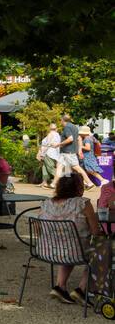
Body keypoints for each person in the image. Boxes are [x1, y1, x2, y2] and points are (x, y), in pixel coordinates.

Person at [38, 173, 109, 304]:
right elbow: (96, 232)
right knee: (103, 250)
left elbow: (39, 229)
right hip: (75, 252)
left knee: (70, 245)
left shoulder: (45, 203)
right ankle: (81, 290)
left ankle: (60, 286)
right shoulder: (83, 203)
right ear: (79, 188)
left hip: (47, 252)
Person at [78, 125, 108, 190]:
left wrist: (80, 145)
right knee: (86, 170)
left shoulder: (87, 139)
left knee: (91, 170)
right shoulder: (90, 138)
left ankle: (103, 180)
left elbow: (88, 148)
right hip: (88, 156)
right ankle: (85, 183)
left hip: (88, 156)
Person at [54, 113, 80, 187]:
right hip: (68, 151)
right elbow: (78, 138)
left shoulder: (67, 127)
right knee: (62, 167)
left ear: (62, 120)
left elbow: (70, 139)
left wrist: (59, 144)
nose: (60, 122)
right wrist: (79, 149)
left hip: (68, 151)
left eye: (60, 120)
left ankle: (88, 182)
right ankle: (55, 183)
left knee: (76, 167)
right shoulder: (74, 127)